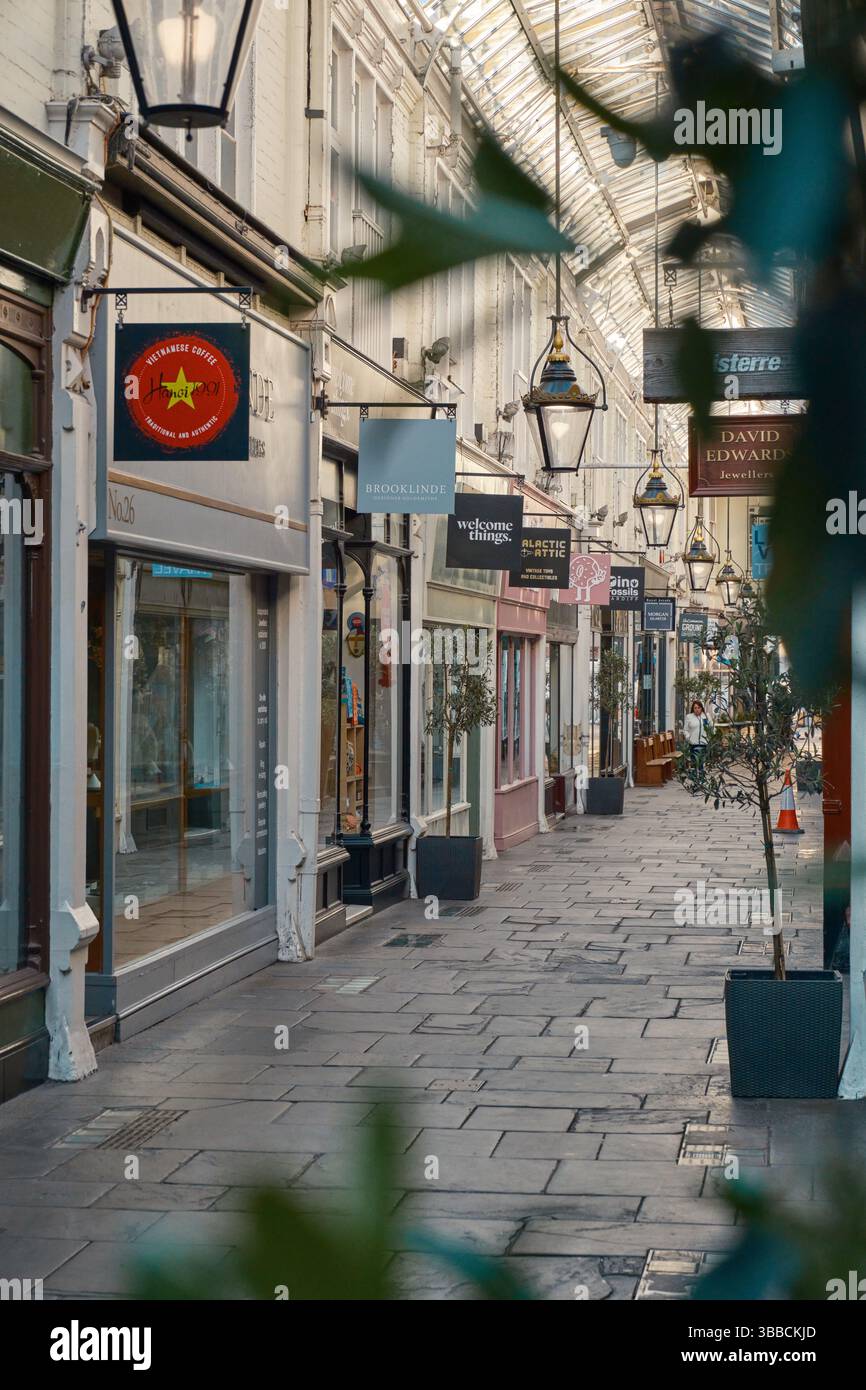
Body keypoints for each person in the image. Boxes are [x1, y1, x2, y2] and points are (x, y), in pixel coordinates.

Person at [683, 699, 713, 767]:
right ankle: (694, 777)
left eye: (698, 707)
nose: (697, 709)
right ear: (693, 709)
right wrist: (688, 738)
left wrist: (710, 737)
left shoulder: (706, 716)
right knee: (694, 763)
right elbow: (685, 730)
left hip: (704, 744)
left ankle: (701, 776)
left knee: (702, 763)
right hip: (693, 744)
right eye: (695, 708)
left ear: (701, 708)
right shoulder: (689, 717)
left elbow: (711, 727)